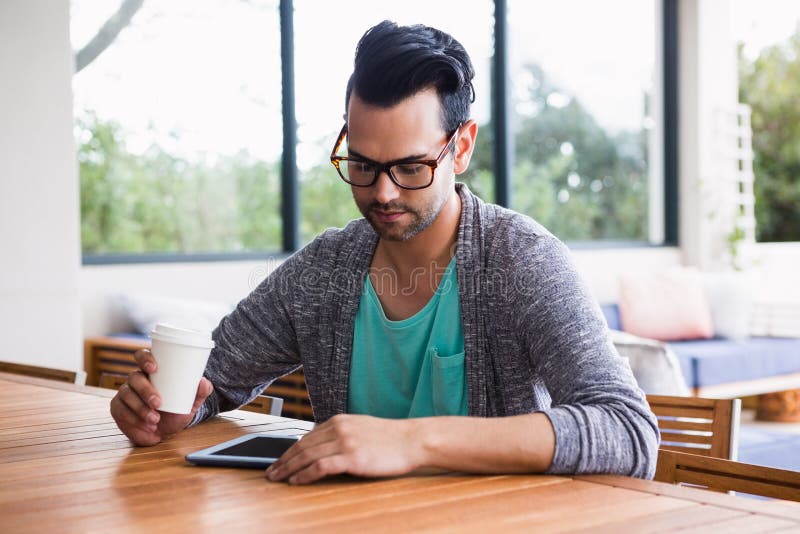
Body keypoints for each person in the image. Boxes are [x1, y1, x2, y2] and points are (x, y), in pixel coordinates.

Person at [110, 20, 659, 485]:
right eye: (363, 164)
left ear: (461, 148)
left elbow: (629, 431)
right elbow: (215, 379)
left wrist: (412, 441)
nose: (383, 193)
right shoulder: (324, 272)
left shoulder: (521, 262)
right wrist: (167, 410)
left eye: (411, 167)